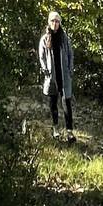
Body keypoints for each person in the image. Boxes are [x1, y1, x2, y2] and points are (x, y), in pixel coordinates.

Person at [38, 10, 75, 143]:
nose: (55, 23)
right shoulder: (45, 39)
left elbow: (71, 54)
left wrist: (70, 69)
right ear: (49, 22)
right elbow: (41, 56)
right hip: (51, 77)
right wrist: (45, 70)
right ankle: (55, 129)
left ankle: (70, 131)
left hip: (64, 76)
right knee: (53, 103)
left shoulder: (64, 38)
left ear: (60, 23)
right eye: (53, 21)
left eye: (57, 21)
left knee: (67, 103)